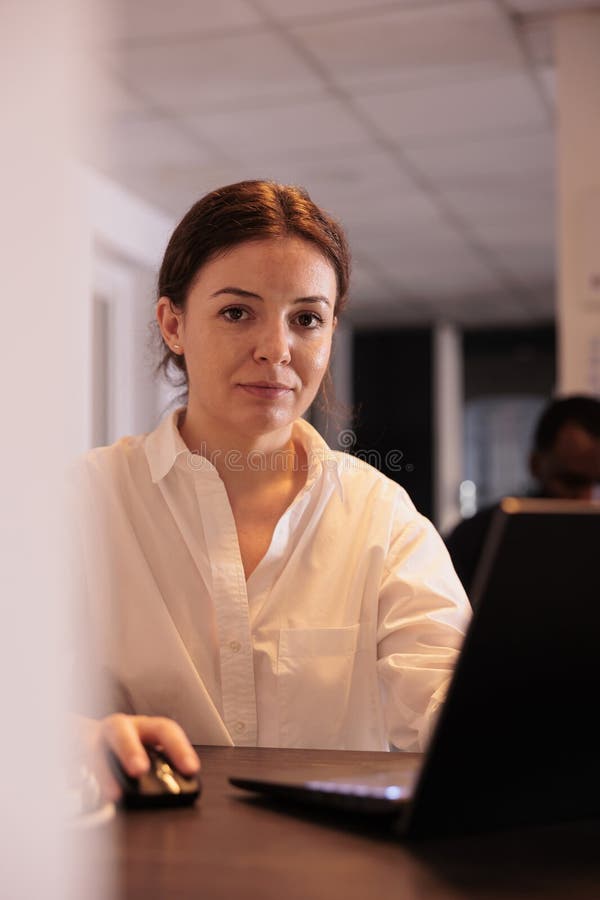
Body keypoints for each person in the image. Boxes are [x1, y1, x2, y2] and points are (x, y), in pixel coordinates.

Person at [74, 180, 470, 777]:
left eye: (306, 318)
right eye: (237, 312)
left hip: (327, 866)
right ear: (173, 324)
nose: (276, 349)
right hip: (138, 856)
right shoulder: (83, 501)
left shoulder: (380, 517)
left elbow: (450, 692)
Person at [445, 394, 600, 597]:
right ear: (535, 464)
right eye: (571, 482)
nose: (586, 498)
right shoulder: (478, 539)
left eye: (596, 483)